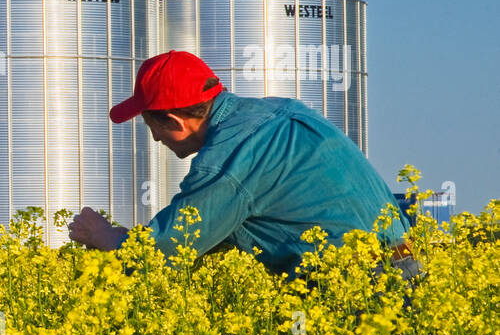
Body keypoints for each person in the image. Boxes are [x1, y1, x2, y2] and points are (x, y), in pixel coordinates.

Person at [67, 50, 420, 279]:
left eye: (152, 126)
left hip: (358, 285)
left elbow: (167, 251)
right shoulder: (280, 111)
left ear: (175, 121)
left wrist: (105, 235)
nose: (155, 139)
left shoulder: (229, 160)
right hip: (407, 265)